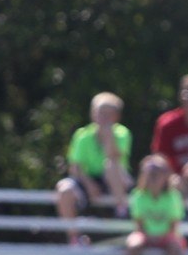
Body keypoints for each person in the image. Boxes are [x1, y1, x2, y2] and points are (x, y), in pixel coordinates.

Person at [55, 92, 133, 244]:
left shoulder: (122, 133)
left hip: (116, 181)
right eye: (99, 112)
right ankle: (74, 238)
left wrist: (108, 136)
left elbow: (113, 157)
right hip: (89, 179)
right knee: (64, 189)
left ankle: (122, 211)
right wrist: (89, 183)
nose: (102, 117)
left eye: (107, 114)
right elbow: (75, 167)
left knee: (110, 165)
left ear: (116, 117)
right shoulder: (82, 135)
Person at [112, 154, 185, 255]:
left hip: (167, 236)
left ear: (165, 176)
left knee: (177, 249)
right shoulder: (138, 195)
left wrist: (159, 237)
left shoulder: (173, 196)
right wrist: (150, 237)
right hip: (145, 235)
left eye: (158, 173)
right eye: (150, 173)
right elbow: (139, 225)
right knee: (131, 246)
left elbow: (173, 226)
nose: (154, 177)